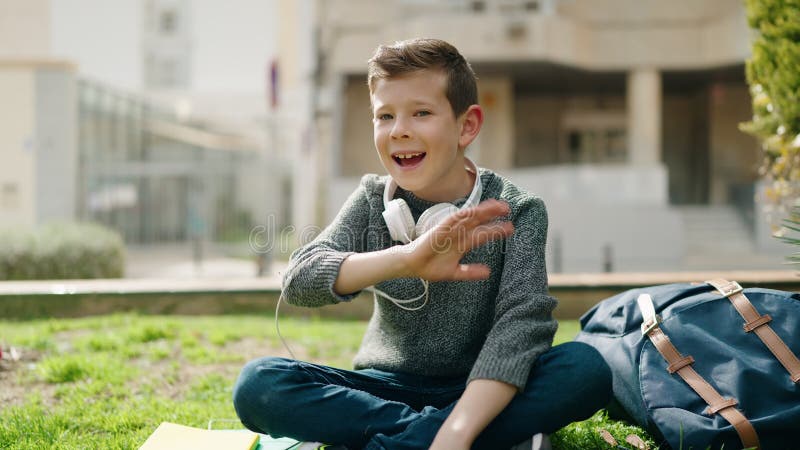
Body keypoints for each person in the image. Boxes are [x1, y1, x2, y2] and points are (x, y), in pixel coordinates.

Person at [233, 38, 611, 450]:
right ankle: (445, 437)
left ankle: (420, 439)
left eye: (422, 113)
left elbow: (520, 329)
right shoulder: (370, 199)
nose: (399, 130)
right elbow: (300, 279)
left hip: (481, 390)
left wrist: (457, 429)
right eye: (385, 116)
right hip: (383, 390)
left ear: (466, 125)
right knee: (259, 384)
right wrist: (406, 259)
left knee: (584, 369)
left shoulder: (518, 210)